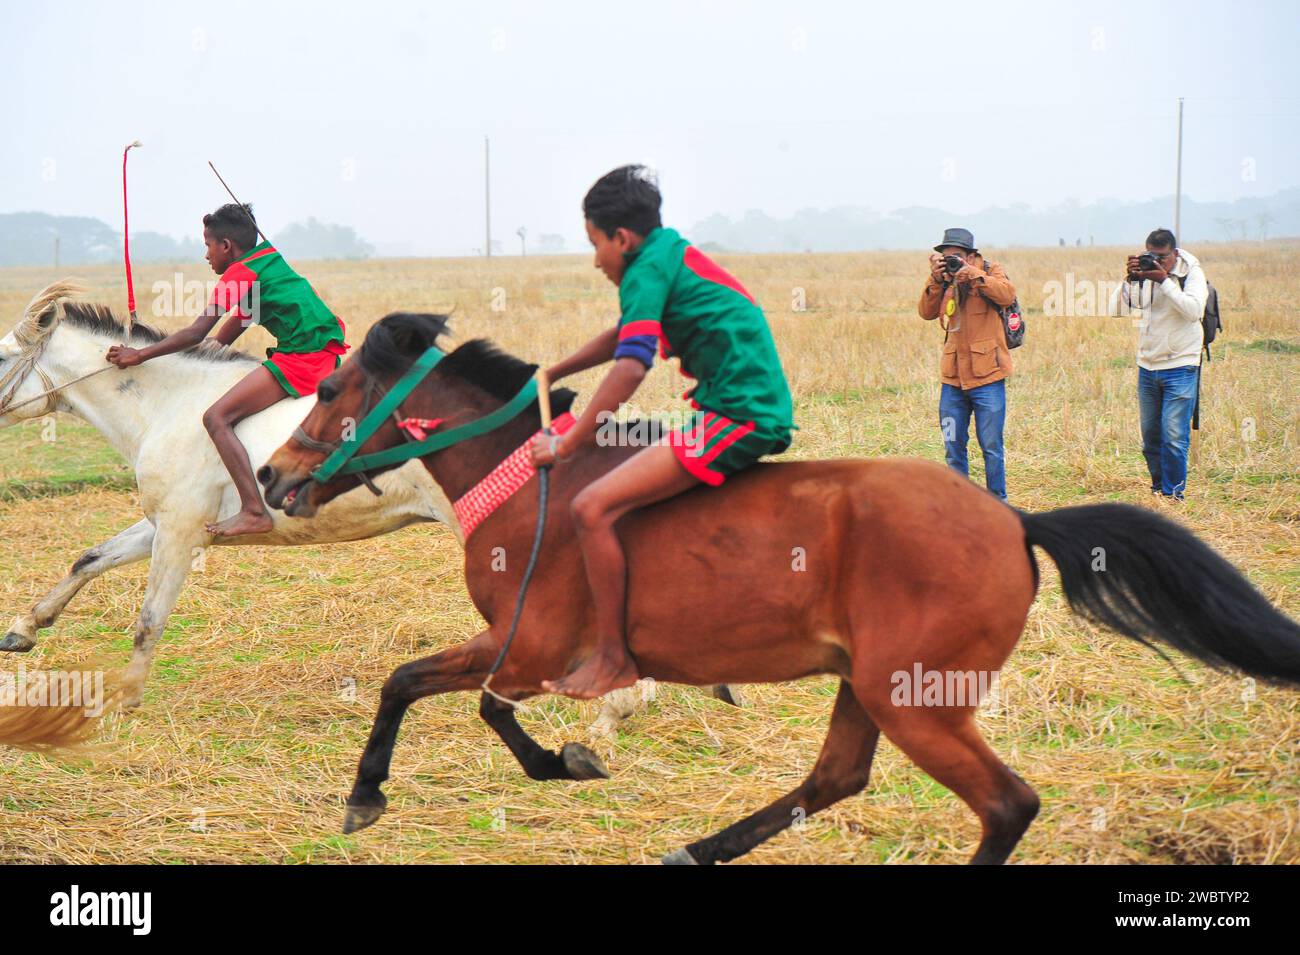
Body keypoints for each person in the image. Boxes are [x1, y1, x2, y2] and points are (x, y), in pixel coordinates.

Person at [529, 165, 795, 699]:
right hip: (730, 407)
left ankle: (613, 659)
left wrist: (567, 443)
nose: (595, 259)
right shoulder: (663, 253)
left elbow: (631, 365)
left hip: (740, 416)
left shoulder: (645, 268)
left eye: (595, 244)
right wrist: (558, 371)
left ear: (621, 238)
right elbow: (628, 330)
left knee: (590, 507)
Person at [106, 203, 348, 537]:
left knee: (216, 418)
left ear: (226, 247)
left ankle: (253, 510)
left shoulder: (240, 273)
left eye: (208, 246)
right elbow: (247, 313)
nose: (206, 255)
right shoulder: (266, 256)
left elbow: (195, 332)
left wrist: (140, 355)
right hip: (323, 349)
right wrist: (215, 348)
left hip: (303, 359)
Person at [918, 227, 1017, 501]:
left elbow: (1006, 295)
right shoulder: (943, 280)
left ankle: (999, 504)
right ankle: (961, 504)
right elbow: (926, 312)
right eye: (946, 256)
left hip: (988, 375)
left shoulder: (989, 270)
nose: (952, 261)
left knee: (992, 446)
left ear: (971, 255)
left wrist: (972, 274)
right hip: (953, 378)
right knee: (952, 444)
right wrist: (936, 279)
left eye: (957, 256)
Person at [1112, 228, 1208, 500]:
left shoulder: (1191, 273)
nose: (1156, 262)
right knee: (1151, 438)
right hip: (1148, 365)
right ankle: (1158, 489)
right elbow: (1117, 310)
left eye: (1162, 257)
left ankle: (1173, 495)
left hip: (1181, 364)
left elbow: (1193, 311)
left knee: (1174, 437)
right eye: (1151, 256)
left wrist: (1165, 280)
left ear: (1174, 254)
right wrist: (1131, 279)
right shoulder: (1144, 275)